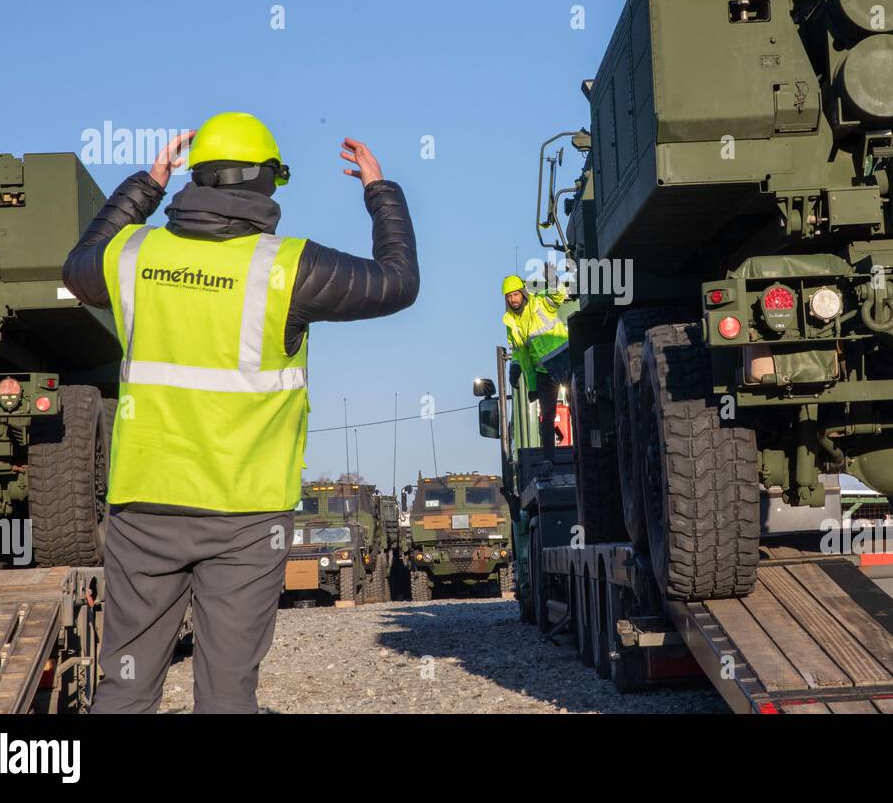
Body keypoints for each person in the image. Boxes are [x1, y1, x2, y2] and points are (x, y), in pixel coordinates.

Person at [62, 112, 418, 713]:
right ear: (267, 183)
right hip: (246, 515)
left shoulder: (132, 256)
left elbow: (77, 268)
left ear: (195, 177)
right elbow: (397, 282)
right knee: (228, 691)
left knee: (125, 683)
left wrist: (144, 187)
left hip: (144, 506)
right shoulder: (292, 267)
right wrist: (380, 192)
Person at [501, 272, 567, 469]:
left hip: (562, 359)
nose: (513, 299)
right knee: (546, 416)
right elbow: (517, 350)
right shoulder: (510, 321)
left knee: (578, 407)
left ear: (522, 293)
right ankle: (549, 459)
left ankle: (583, 449)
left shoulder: (540, 303)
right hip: (542, 371)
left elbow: (558, 296)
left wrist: (553, 281)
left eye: (515, 294)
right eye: (509, 296)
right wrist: (514, 367)